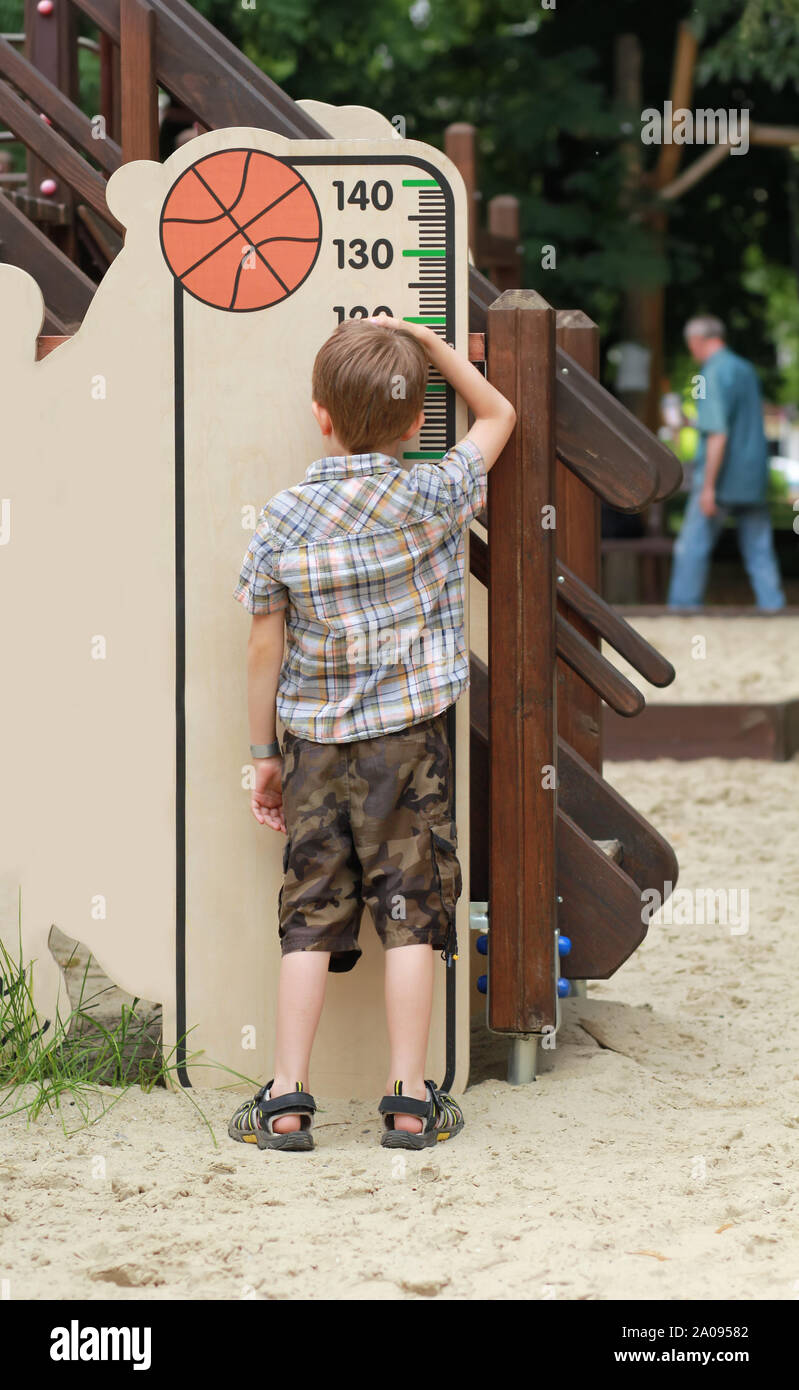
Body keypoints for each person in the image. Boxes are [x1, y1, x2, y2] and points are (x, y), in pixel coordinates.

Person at [227, 315, 516, 1152]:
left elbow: (261, 645)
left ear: (320, 414)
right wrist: (431, 349)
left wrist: (262, 759)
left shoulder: (284, 517)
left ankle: (285, 1099)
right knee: (411, 913)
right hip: (410, 749)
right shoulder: (433, 491)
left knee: (309, 916)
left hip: (313, 747)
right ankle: (408, 1098)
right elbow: (498, 416)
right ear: (419, 420)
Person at [667, 315, 785, 610]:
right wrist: (696, 423)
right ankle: (772, 607)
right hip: (752, 475)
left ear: (697, 341)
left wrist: (707, 486)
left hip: (721, 478)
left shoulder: (712, 373)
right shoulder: (744, 369)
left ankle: (683, 609)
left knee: (692, 546)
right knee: (759, 548)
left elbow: (718, 433)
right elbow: (738, 422)